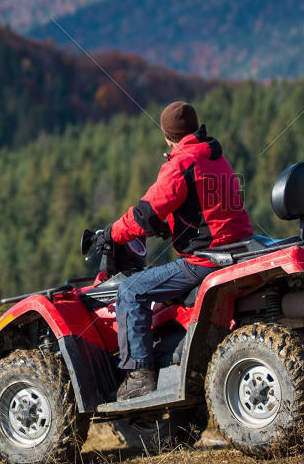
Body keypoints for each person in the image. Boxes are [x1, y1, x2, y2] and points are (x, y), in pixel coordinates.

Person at [108, 101, 252, 401]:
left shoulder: (182, 163)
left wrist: (111, 233)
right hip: (239, 250)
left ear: (166, 134)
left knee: (131, 291)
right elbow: (204, 209)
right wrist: (169, 225)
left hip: (205, 261)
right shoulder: (214, 156)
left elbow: (144, 214)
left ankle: (139, 375)